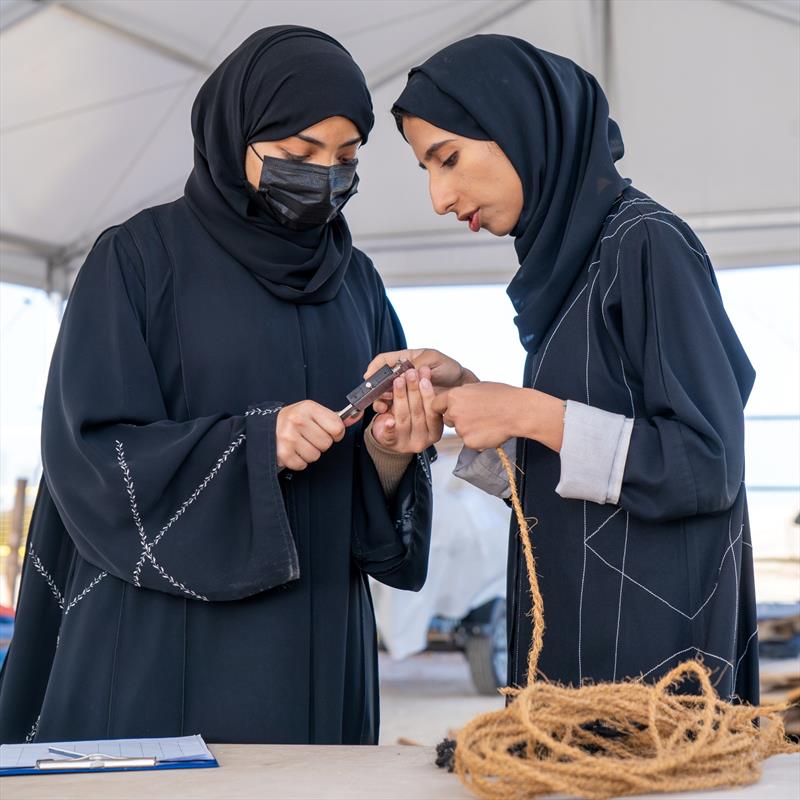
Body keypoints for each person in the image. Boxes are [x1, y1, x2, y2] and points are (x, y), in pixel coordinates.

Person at [0, 26, 440, 746]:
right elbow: (88, 456)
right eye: (299, 155)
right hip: (162, 648)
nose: (325, 175)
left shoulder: (356, 284)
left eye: (346, 158)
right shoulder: (137, 262)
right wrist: (256, 443)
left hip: (321, 649)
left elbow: (376, 511)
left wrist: (393, 454)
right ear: (234, 132)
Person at [368, 34, 758, 703]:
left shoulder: (644, 244)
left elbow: (706, 464)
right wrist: (467, 399)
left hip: (657, 668)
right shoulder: (574, 272)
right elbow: (575, 478)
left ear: (521, 127)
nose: (440, 196)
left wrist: (526, 410)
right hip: (581, 650)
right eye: (428, 171)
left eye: (449, 158)